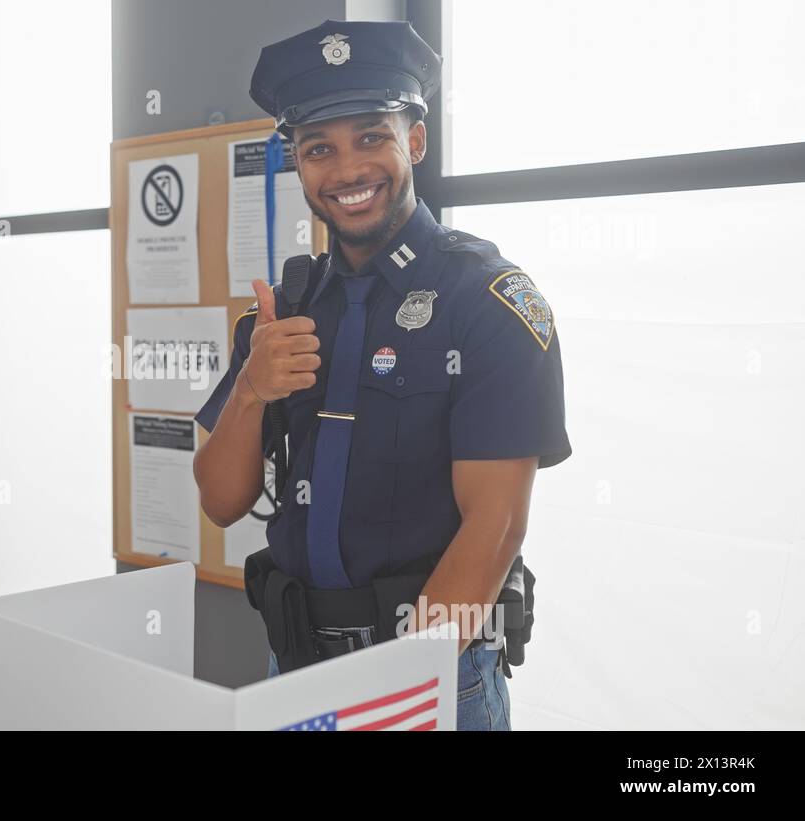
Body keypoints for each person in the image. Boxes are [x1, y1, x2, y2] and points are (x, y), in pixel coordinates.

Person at [192, 20, 571, 731]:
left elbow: (496, 523)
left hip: (432, 677)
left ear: (415, 142)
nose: (346, 170)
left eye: (372, 136)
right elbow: (219, 498)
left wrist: (396, 692)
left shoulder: (486, 300)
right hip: (295, 671)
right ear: (299, 166)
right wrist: (251, 388)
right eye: (318, 149)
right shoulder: (283, 309)